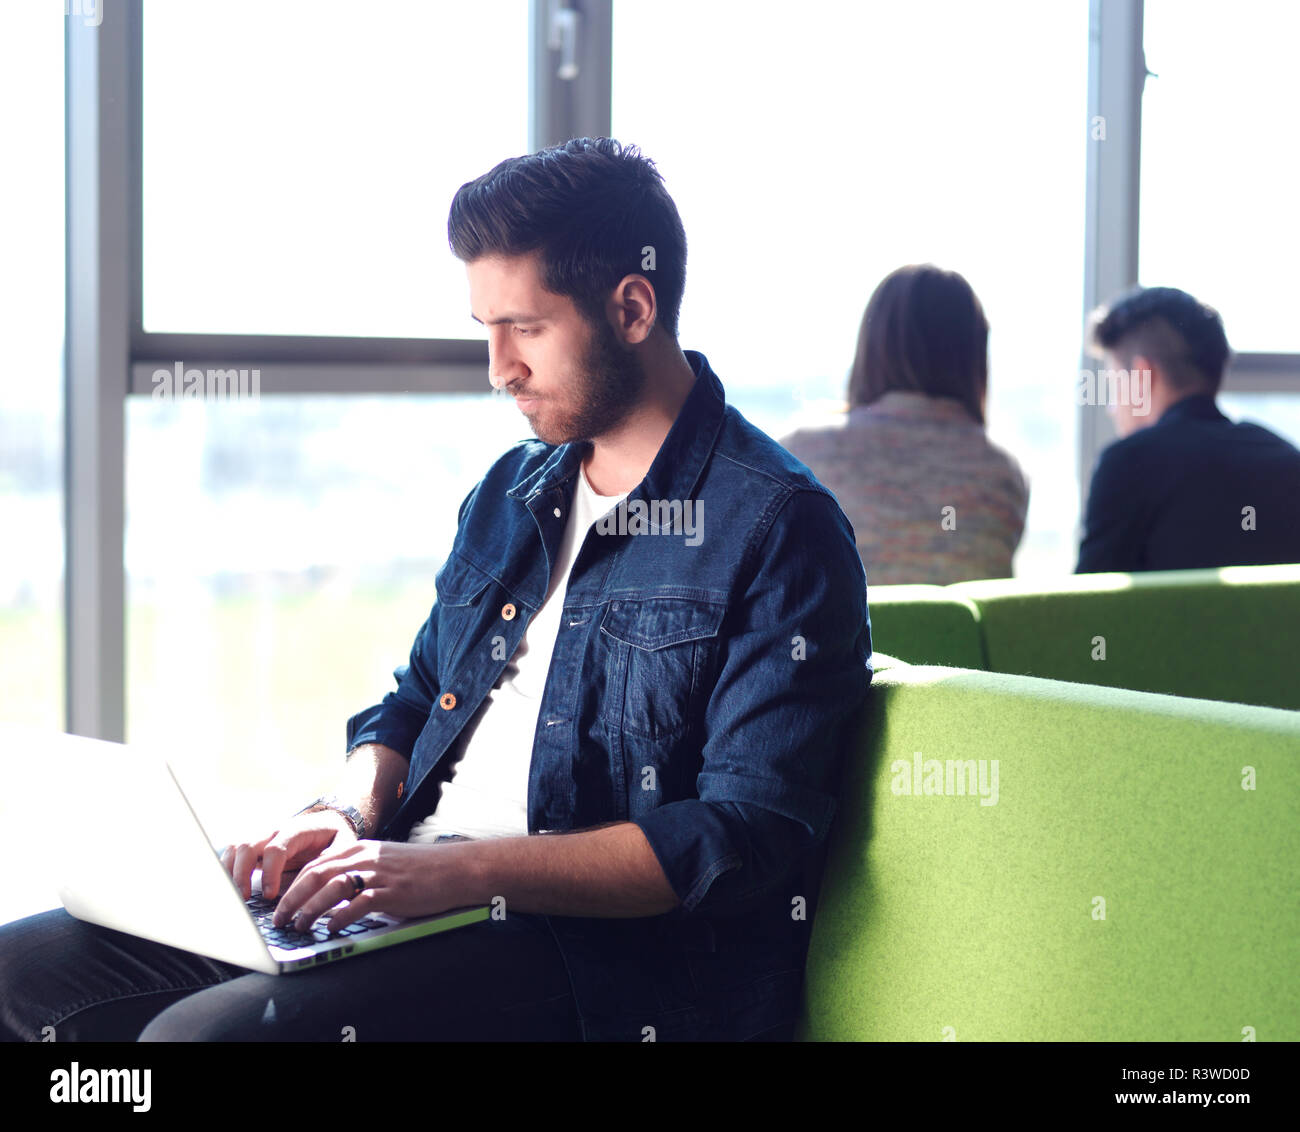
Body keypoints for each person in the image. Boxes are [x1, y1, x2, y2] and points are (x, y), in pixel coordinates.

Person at [0, 137, 872, 1042]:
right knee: (19, 978)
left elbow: (742, 837)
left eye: (526, 328)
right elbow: (415, 701)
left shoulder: (777, 526)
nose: (499, 369)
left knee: (204, 1038)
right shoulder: (512, 491)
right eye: (485, 330)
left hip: (589, 960)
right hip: (413, 888)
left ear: (633, 306)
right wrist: (347, 816)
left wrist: (457, 875)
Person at [779, 264, 1029, 585]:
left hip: (839, 637)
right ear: (975, 356)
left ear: (872, 345)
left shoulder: (798, 455)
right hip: (952, 637)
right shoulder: (1006, 472)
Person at [1076, 285, 1300, 573]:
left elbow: (1084, 611)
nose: (1112, 407)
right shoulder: (1289, 462)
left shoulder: (1128, 465)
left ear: (1143, 377)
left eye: (1115, 384)